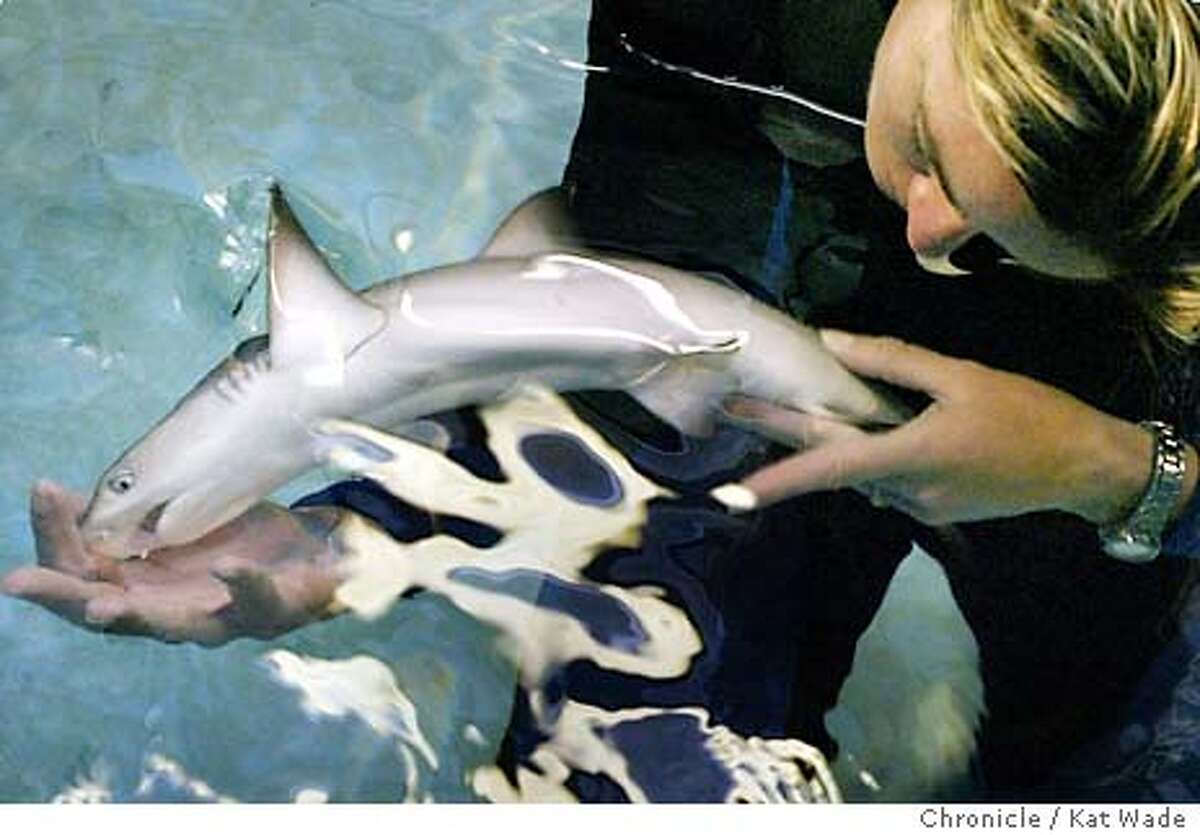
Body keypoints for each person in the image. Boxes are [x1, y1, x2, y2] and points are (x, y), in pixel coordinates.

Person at [5, 0, 1200, 800]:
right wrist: (359, 540)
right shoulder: (716, 19)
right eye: (933, 150)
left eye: (998, 241)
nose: (932, 235)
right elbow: (615, 381)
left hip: (1101, 443)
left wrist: (1109, 465)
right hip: (729, 369)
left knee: (1092, 770)